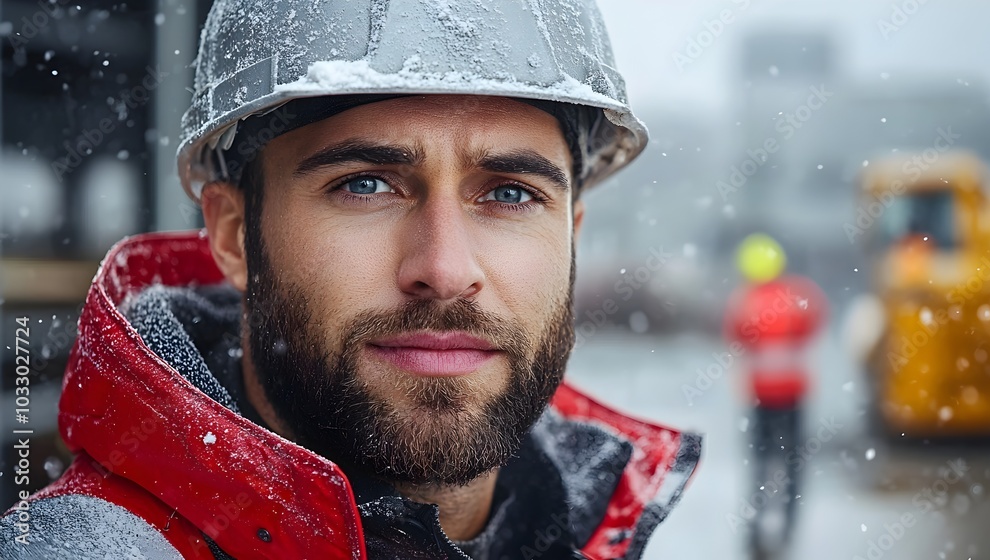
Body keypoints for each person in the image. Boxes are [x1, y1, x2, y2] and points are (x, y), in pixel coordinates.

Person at [0, 1, 701, 559]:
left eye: (511, 194)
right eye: (366, 184)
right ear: (234, 235)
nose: (445, 270)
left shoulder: (598, 527)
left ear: (570, 236)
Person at [723, 233, 826, 556]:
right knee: (793, 465)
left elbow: (735, 337)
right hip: (793, 395)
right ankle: (788, 527)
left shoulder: (745, 301)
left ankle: (755, 531)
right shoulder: (798, 295)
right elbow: (815, 323)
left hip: (760, 397)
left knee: (760, 464)